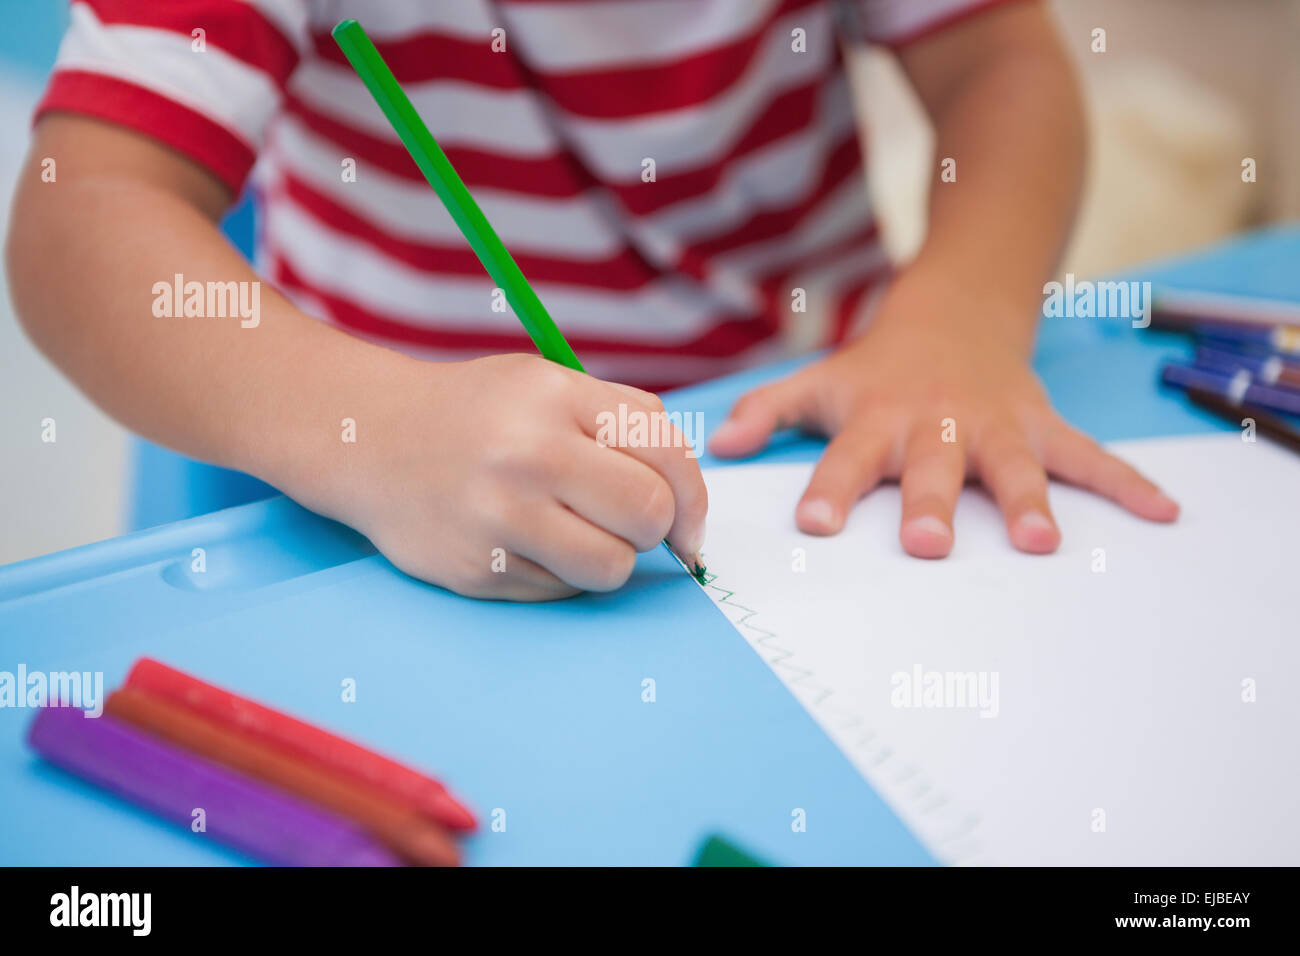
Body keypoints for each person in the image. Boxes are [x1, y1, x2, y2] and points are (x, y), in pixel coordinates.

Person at [6, 0, 1177, 600]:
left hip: (809, 408)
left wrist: (959, 317)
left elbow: (1000, 65)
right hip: (404, 485)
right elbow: (79, 217)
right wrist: (366, 428)